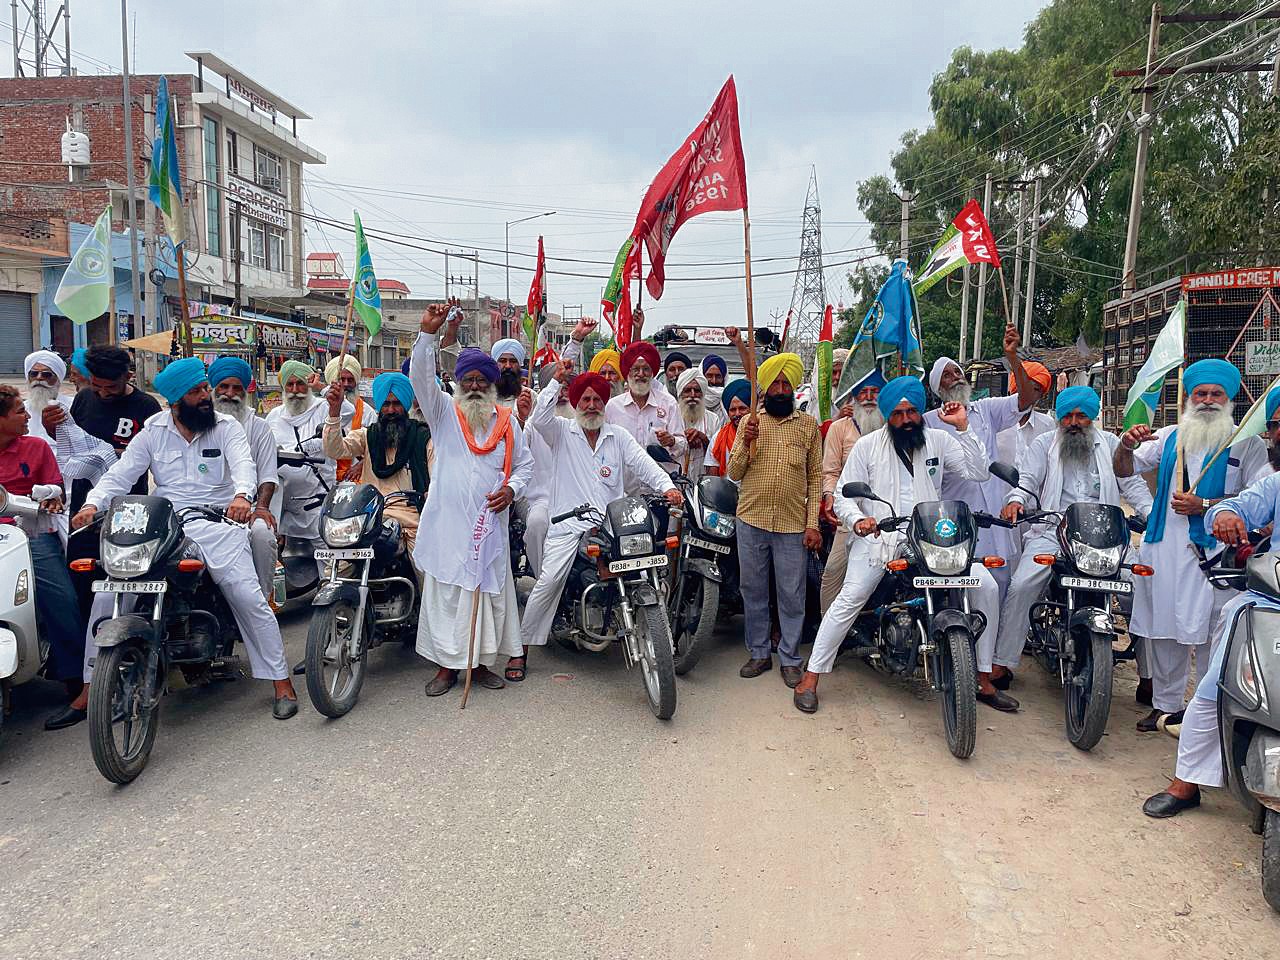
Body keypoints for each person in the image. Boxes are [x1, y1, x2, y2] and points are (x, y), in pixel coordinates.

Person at [69, 357, 298, 720]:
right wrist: (92, 503)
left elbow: (244, 466)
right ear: (176, 400)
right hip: (164, 524)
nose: (207, 396)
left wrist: (242, 496)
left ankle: (280, 681)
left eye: (205, 388)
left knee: (247, 595)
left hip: (218, 523)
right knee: (112, 590)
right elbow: (121, 473)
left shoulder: (225, 427)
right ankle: (91, 685)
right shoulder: (153, 430)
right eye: (197, 392)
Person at [795, 376, 993, 714]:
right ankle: (811, 676)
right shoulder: (867, 446)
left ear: (920, 411)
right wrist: (858, 520)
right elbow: (844, 496)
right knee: (851, 596)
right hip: (879, 540)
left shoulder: (940, 441)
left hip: (931, 539)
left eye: (912, 411)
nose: (906, 419)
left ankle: (983, 675)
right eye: (898, 413)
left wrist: (963, 428)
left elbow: (979, 472)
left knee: (986, 585)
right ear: (888, 415)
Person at [1116, 358, 1270, 732]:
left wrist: (1205, 505)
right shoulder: (1170, 437)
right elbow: (1123, 470)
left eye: (1216, 394)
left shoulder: (1246, 443)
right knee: (1165, 628)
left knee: (1209, 633)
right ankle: (1165, 705)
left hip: (1214, 557)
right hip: (1165, 548)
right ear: (1189, 396)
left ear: (1229, 398)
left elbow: (1260, 499)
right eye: (1200, 393)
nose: (1207, 400)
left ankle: (1203, 711)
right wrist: (1124, 444)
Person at [992, 387, 1153, 710]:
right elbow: (1026, 481)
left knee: (1141, 588)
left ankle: (1151, 676)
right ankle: (1003, 661)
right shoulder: (1043, 445)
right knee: (1024, 584)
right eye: (1068, 416)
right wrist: (1014, 502)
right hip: (1053, 529)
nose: (1074, 422)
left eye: (1081, 416)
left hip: (1107, 535)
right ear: (1059, 418)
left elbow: (1133, 485)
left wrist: (1151, 515)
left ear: (1093, 417)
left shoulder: (1111, 445)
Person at [516, 366, 680, 678]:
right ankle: (520, 650)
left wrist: (667, 487)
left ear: (605, 404)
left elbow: (644, 464)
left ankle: (645, 627)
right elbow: (538, 419)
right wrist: (556, 380)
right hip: (568, 525)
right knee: (549, 580)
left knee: (644, 567)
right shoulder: (562, 431)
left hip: (610, 523)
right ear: (576, 404)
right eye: (585, 400)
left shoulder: (618, 436)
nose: (592, 405)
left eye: (597, 400)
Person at [408, 303, 533, 697]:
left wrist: (512, 490)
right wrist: (428, 334)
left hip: (489, 527)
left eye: (482, 380)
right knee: (448, 597)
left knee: (487, 597)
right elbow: (422, 379)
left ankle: (477, 667)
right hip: (449, 525)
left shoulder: (507, 421)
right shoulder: (444, 412)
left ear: (493, 385)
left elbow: (525, 467)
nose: (476, 385)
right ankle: (447, 668)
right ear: (459, 384)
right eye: (469, 380)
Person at [1142, 471, 1280, 816]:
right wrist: (1225, 515)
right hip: (1271, 601)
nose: (1277, 432)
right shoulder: (1277, 484)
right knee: (1218, 682)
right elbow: (1237, 505)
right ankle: (1186, 782)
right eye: (1276, 425)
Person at [727, 351, 823, 687]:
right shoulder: (750, 422)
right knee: (752, 590)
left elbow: (815, 477)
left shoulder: (809, 426)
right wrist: (746, 441)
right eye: (775, 383)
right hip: (751, 519)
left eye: (786, 383)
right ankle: (758, 652)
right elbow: (733, 471)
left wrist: (813, 523)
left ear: (793, 388)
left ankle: (791, 658)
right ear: (765, 388)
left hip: (792, 523)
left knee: (792, 593)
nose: (781, 389)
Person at [924, 324, 1037, 602]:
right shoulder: (928, 422)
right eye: (946, 376)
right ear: (938, 388)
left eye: (957, 372)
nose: (954, 378)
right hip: (953, 518)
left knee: (998, 587)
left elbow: (1026, 399)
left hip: (993, 519)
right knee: (958, 591)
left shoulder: (985, 410)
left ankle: (994, 647)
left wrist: (1012, 358)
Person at [0, 387, 87, 730]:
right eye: (19, 411)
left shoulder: (36, 447)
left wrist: (51, 500)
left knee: (61, 599)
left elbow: (56, 490)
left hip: (30, 533)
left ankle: (76, 678)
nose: (26, 416)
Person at [323, 371, 430, 553]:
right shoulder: (368, 436)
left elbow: (437, 480)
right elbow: (335, 450)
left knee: (425, 573)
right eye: (386, 404)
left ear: (405, 406)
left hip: (411, 522)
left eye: (396, 404)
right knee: (337, 568)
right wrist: (334, 412)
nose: (390, 410)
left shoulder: (424, 439)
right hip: (368, 520)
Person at [209, 356, 281, 604]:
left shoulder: (259, 427)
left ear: (245, 390)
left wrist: (260, 507)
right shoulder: (199, 423)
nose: (230, 394)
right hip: (204, 508)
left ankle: (259, 602)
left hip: (247, 508)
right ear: (214, 389)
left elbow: (268, 475)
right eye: (224, 387)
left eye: (236, 387)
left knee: (262, 535)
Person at [819, 368, 886, 614]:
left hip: (887, 516)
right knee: (833, 573)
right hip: (849, 515)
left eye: (875, 391)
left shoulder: (893, 426)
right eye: (862, 393)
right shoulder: (840, 428)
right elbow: (830, 472)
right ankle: (828, 632)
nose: (868, 397)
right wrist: (829, 497)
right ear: (854, 398)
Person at [266, 359, 343, 567]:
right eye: (289, 385)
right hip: (280, 502)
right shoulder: (273, 417)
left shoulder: (322, 408)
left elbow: (346, 412)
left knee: (328, 557)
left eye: (300, 384)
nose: (295, 390)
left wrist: (322, 388)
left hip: (315, 500)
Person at [69, 345, 162, 508]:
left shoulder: (147, 407)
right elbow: (72, 443)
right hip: (83, 498)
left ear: (128, 376)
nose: (104, 393)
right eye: (97, 386)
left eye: (111, 387)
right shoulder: (83, 398)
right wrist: (51, 427)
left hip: (127, 502)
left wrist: (113, 454)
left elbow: (158, 457)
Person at [23, 350, 117, 502]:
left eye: (47, 374)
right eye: (34, 374)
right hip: (26, 476)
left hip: (70, 478)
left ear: (58, 379)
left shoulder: (74, 405)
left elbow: (89, 445)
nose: (39, 379)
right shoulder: (19, 410)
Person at [606, 340, 687, 465]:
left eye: (646, 369)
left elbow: (683, 445)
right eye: (636, 369)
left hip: (661, 482)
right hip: (625, 482)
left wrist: (671, 441)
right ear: (628, 372)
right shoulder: (613, 407)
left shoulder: (668, 403)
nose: (641, 374)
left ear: (652, 373)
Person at [674, 366, 724, 482]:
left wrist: (703, 439)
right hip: (675, 482)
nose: (692, 395)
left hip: (703, 481)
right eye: (687, 390)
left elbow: (717, 454)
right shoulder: (671, 416)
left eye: (697, 391)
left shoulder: (713, 419)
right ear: (680, 393)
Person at [705, 378, 752, 477]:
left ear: (752, 408)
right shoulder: (719, 437)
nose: (737, 414)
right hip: (726, 490)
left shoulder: (763, 434)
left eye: (742, 408)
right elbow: (712, 477)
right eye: (733, 410)